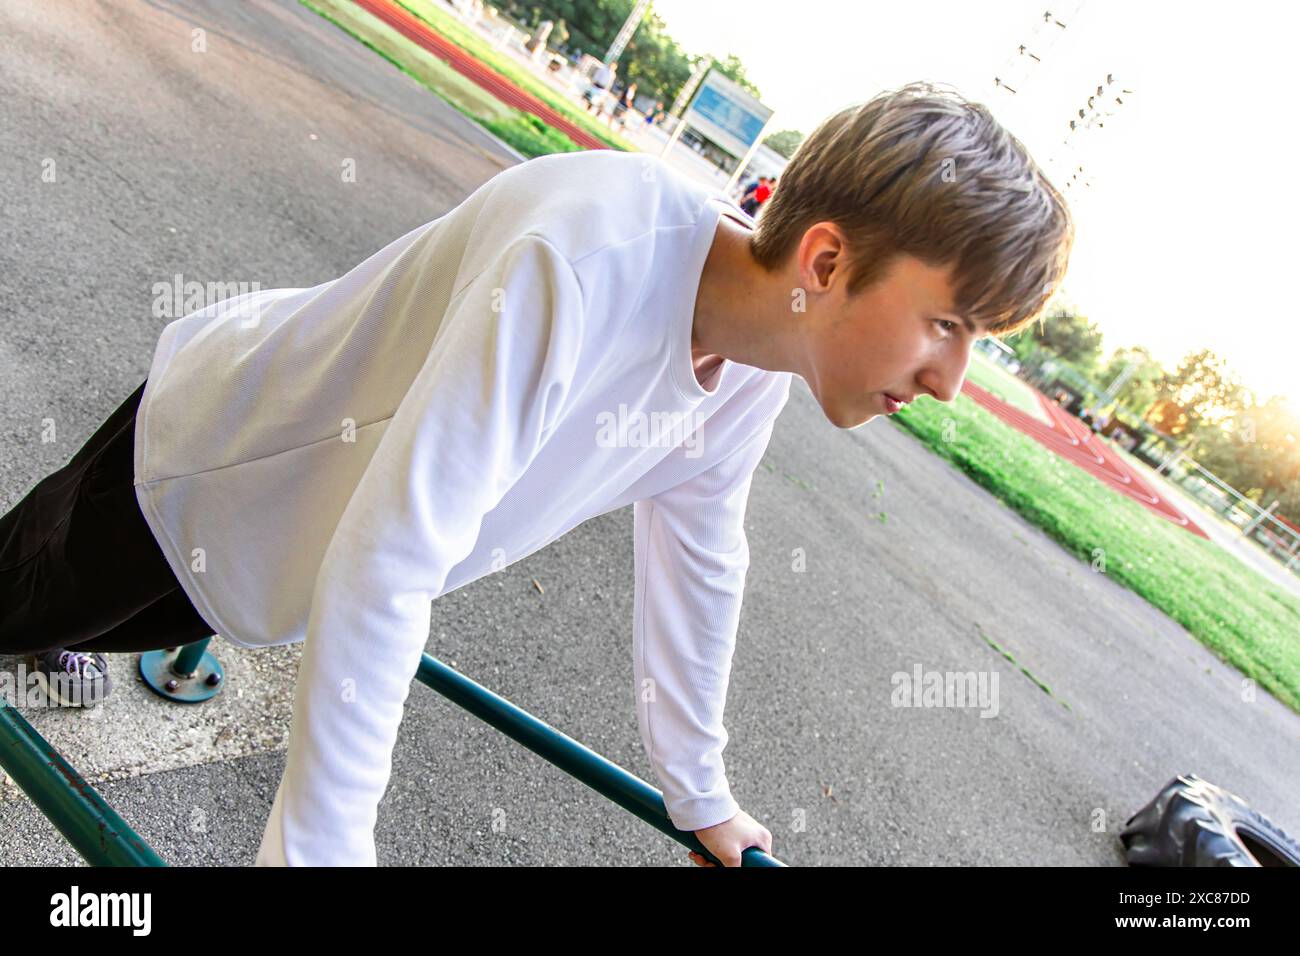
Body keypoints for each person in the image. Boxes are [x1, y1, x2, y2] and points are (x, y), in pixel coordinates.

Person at [0, 81, 1073, 867]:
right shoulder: (584, 252)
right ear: (828, 263)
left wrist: (697, 788)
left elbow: (702, 560)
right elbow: (388, 560)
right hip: (202, 475)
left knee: (68, 612)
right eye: (947, 324)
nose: (948, 381)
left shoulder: (755, 369)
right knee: (25, 600)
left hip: (278, 540)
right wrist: (318, 849)